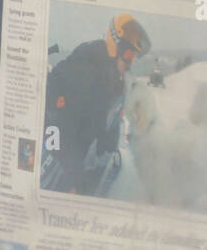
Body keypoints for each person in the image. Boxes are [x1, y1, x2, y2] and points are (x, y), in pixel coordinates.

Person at [40, 13, 150, 196]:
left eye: (135, 56)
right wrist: (73, 180)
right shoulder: (88, 72)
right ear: (115, 45)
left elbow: (109, 126)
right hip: (58, 158)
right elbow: (64, 129)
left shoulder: (115, 81)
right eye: (129, 54)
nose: (132, 60)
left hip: (83, 160)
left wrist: (107, 154)